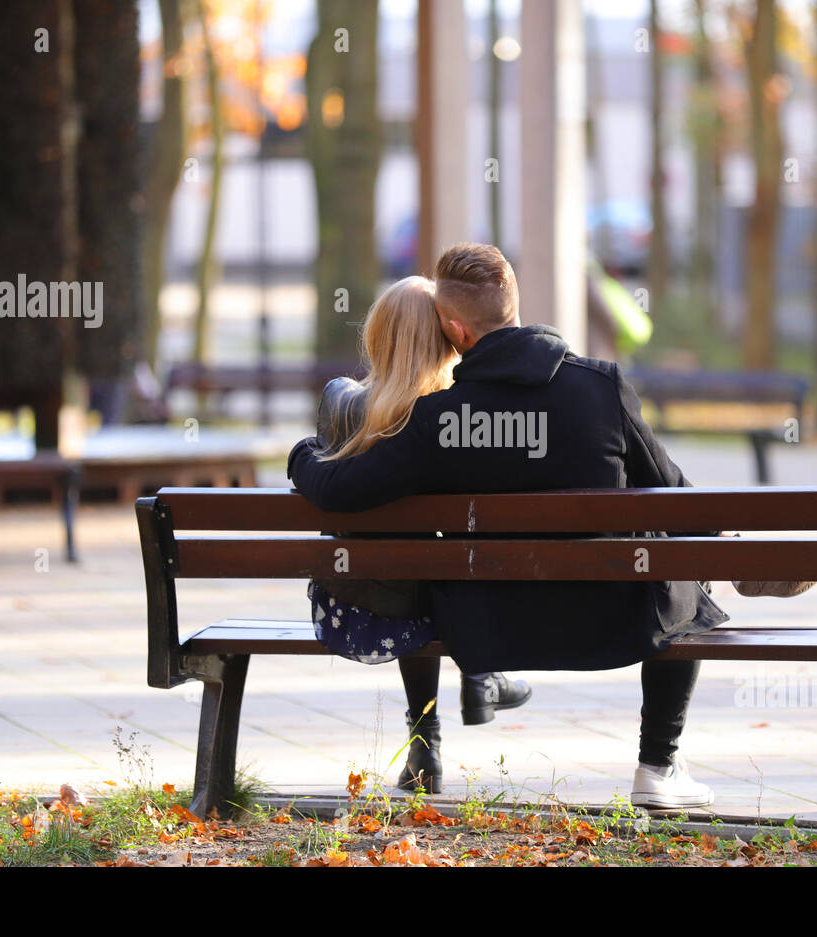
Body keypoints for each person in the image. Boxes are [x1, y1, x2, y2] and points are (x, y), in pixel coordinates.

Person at [289, 243, 733, 808]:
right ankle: (657, 768)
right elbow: (677, 499)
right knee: (685, 571)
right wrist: (730, 551)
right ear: (515, 304)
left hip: (485, 631)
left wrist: (303, 452)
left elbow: (336, 491)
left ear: (454, 329)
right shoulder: (601, 388)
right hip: (613, 619)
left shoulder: (436, 419)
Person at [307, 275, 530, 795]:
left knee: (412, 564)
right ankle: (480, 674)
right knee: (446, 558)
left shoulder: (343, 402)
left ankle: (424, 741)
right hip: (437, 610)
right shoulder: (456, 418)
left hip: (350, 605)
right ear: (445, 340)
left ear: (379, 336)